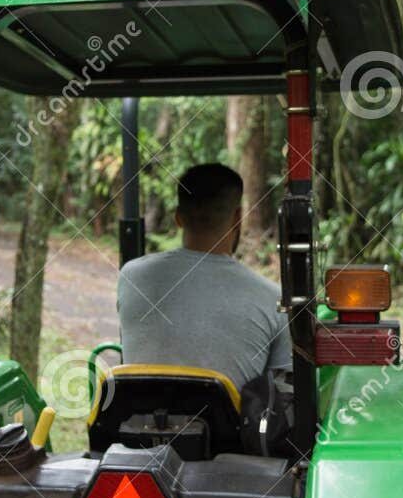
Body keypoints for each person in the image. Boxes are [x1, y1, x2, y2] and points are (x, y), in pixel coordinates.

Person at [116, 163, 291, 389]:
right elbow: (285, 392)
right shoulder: (273, 299)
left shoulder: (131, 276)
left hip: (132, 423)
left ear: (178, 217)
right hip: (225, 424)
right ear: (238, 217)